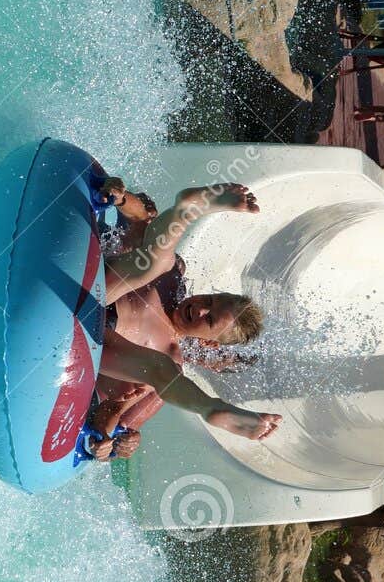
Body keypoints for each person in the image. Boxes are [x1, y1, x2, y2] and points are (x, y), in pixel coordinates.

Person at [95, 182, 281, 446]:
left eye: (210, 319)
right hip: (95, 289)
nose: (201, 308)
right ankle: (187, 209)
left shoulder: (171, 355)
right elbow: (143, 217)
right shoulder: (171, 278)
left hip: (94, 342)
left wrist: (105, 438)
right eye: (211, 300)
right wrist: (122, 198)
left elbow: (111, 411)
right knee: (156, 263)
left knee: (163, 371)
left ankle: (211, 409)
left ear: (208, 342)